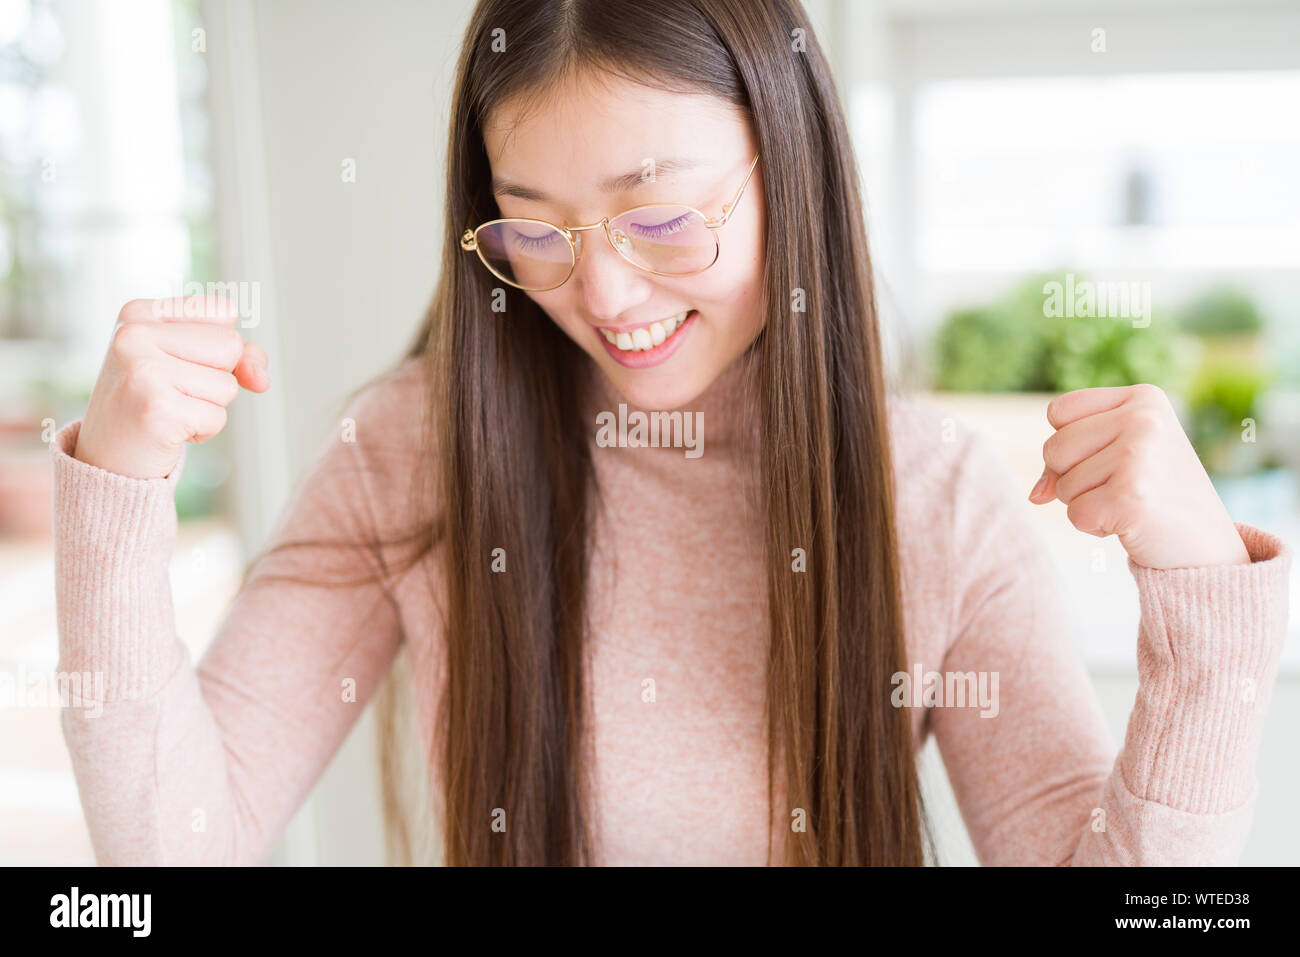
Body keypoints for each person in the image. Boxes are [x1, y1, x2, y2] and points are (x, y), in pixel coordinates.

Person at [53, 0, 1291, 865]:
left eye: (660, 222)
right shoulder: (411, 452)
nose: (602, 296)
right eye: (534, 228)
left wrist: (1199, 596)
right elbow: (171, 850)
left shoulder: (935, 498)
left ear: (787, 163)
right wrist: (116, 491)